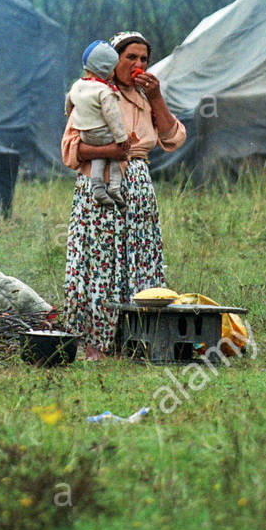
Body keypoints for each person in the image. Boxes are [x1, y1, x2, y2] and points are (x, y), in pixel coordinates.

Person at [61, 31, 186, 360]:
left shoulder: (145, 97)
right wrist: (114, 150)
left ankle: (135, 342)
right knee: (101, 264)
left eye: (144, 59)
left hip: (139, 190)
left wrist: (157, 96)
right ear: (112, 60)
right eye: (130, 57)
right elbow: (71, 148)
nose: (138, 64)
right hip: (100, 187)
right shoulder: (93, 93)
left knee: (138, 263)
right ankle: (95, 344)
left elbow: (173, 137)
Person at [64, 40, 130, 208]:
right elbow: (112, 116)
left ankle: (97, 188)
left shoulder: (78, 85)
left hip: (85, 134)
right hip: (103, 133)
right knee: (117, 153)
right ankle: (115, 186)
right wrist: (121, 137)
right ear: (107, 70)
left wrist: (69, 112)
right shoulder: (104, 91)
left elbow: (68, 100)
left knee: (98, 157)